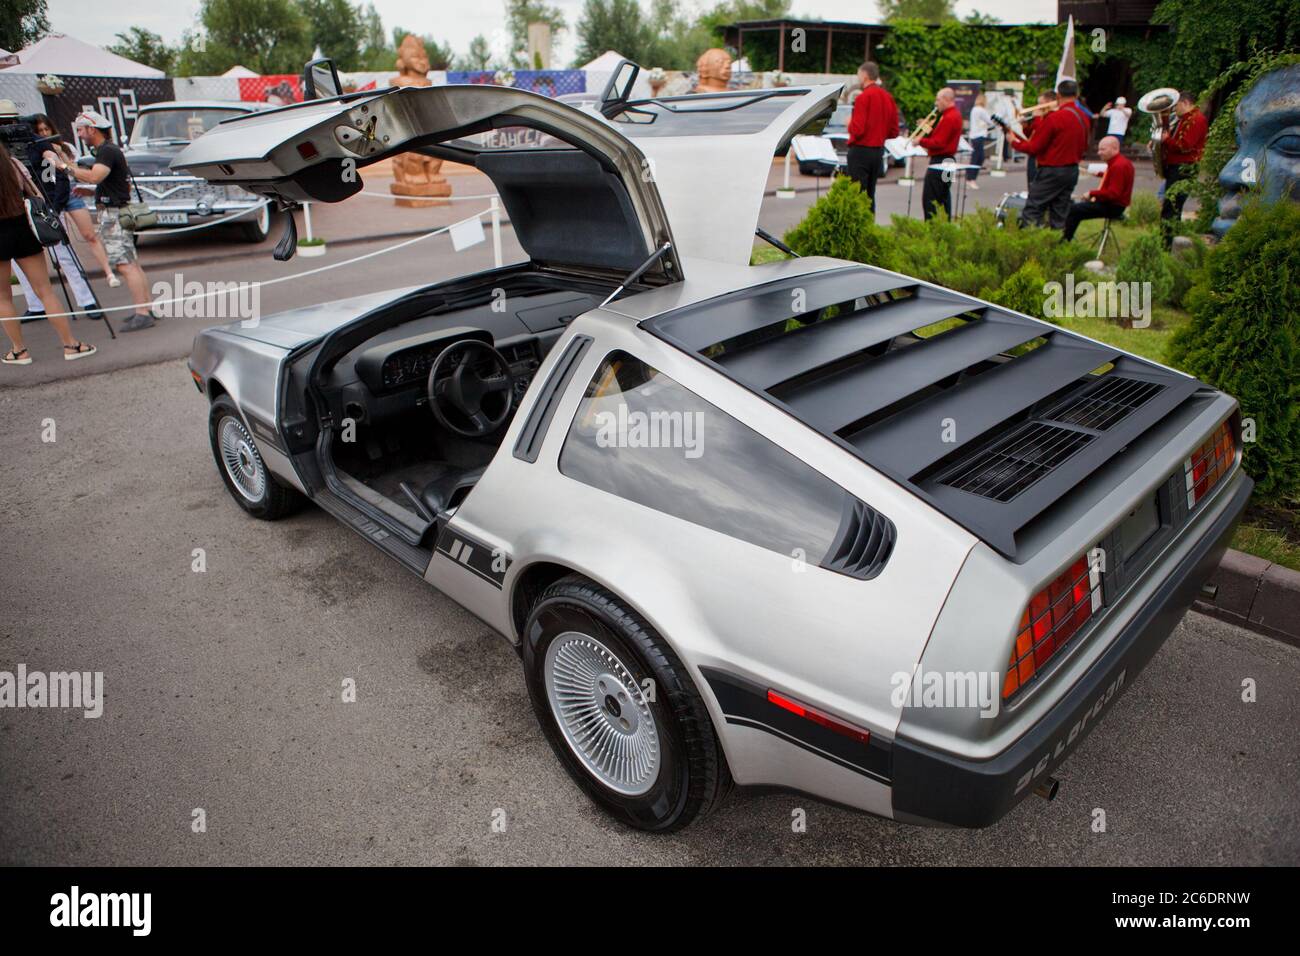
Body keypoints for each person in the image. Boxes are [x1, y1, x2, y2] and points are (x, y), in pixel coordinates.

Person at [51, 111, 154, 332]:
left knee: (126, 266)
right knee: (132, 263)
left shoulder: (106, 151)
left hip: (114, 214)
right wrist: (90, 192)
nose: (79, 134)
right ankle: (146, 308)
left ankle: (143, 313)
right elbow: (111, 182)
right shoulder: (108, 150)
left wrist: (62, 166)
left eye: (81, 129)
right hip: (117, 210)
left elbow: (95, 176)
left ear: (92, 128)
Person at [1, 141, 96, 365]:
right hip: (22, 228)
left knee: (3, 297)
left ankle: (19, 351)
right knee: (45, 291)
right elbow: (35, 195)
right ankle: (71, 344)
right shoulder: (12, 164)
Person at [32, 114, 116, 284]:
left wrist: (61, 154)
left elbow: (76, 171)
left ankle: (109, 272)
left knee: (89, 234)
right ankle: (77, 277)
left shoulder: (65, 147)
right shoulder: (36, 149)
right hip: (52, 195)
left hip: (71, 191)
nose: (44, 133)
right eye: (40, 130)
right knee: (61, 239)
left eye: (46, 129)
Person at [1011, 80, 1090, 230]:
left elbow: (1034, 147)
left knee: (1033, 209)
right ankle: (1056, 247)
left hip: (1052, 170)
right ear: (1077, 94)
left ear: (1059, 95)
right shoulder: (1083, 117)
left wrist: (1013, 142)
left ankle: (1030, 247)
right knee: (1059, 213)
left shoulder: (1054, 118)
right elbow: (1084, 145)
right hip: (1072, 170)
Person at [845, 62, 899, 215]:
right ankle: (869, 228)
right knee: (870, 194)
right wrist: (879, 134)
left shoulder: (863, 97)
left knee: (857, 194)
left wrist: (849, 124)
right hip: (878, 152)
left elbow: (858, 129)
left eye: (859, 75)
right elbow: (894, 131)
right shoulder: (888, 98)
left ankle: (858, 229)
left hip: (860, 151)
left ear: (865, 76)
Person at [1062, 135, 1134, 240]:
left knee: (1074, 210)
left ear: (1115, 148)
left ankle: (1065, 240)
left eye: (1103, 149)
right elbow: (1111, 176)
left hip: (1113, 206)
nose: (1099, 152)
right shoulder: (1120, 162)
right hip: (1113, 204)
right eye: (1099, 149)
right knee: (1076, 208)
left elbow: (1113, 194)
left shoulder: (1118, 166)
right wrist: (1097, 173)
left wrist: (1092, 193)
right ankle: (1066, 236)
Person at [1159, 91, 1208, 244]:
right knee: (1171, 206)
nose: (1174, 110)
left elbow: (1185, 146)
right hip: (1176, 167)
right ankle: (1167, 240)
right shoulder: (1184, 119)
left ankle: (1166, 243)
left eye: (1176, 105)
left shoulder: (1196, 119)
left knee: (1172, 206)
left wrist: (1166, 140)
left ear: (1185, 103)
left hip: (1184, 168)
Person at [918, 87, 962, 220]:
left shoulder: (949, 117)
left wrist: (920, 141)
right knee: (944, 195)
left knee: (931, 197)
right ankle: (945, 223)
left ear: (946, 99)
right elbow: (937, 134)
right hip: (949, 161)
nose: (936, 103)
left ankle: (933, 227)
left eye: (938, 99)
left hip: (940, 161)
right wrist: (924, 127)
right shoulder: (952, 115)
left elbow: (938, 142)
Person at [1021, 92, 1057, 184]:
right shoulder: (1042, 116)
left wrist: (1037, 118)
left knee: (1036, 183)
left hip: (1044, 156)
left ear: (1049, 102)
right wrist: (1025, 127)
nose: (1038, 107)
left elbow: (1041, 133)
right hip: (1034, 154)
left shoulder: (1051, 116)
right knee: (1031, 180)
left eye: (1041, 104)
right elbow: (1032, 136)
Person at [966, 93, 993, 189]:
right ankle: (971, 178)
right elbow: (990, 120)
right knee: (979, 158)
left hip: (974, 135)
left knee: (975, 157)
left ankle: (970, 177)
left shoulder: (974, 109)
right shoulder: (981, 110)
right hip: (979, 135)